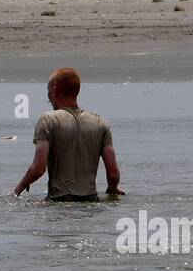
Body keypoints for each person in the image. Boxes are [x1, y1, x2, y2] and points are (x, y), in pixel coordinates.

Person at [14, 68, 122, 201]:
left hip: (59, 200)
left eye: (48, 89)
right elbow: (113, 173)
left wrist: (18, 188)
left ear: (54, 90)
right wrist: (113, 187)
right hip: (91, 200)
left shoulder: (48, 120)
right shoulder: (101, 122)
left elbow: (38, 168)